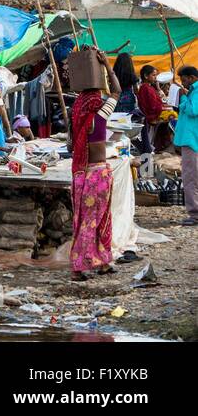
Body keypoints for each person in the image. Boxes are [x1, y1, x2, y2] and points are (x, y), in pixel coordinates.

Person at [69, 48, 121, 280]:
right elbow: (118, 91)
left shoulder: (78, 120)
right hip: (98, 175)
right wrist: (107, 66)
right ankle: (81, 265)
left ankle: (101, 262)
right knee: (97, 222)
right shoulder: (99, 116)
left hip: (81, 176)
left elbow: (71, 146)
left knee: (84, 221)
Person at [175, 65, 198, 228]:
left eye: (185, 80)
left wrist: (183, 98)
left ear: (191, 78)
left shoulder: (195, 91)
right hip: (190, 138)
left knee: (190, 178)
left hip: (191, 140)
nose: (184, 84)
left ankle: (195, 214)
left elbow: (192, 110)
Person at [135, 64, 168, 154]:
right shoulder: (146, 88)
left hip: (151, 116)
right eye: (153, 75)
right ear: (146, 76)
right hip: (151, 117)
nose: (155, 78)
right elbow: (152, 105)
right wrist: (161, 108)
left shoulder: (148, 87)